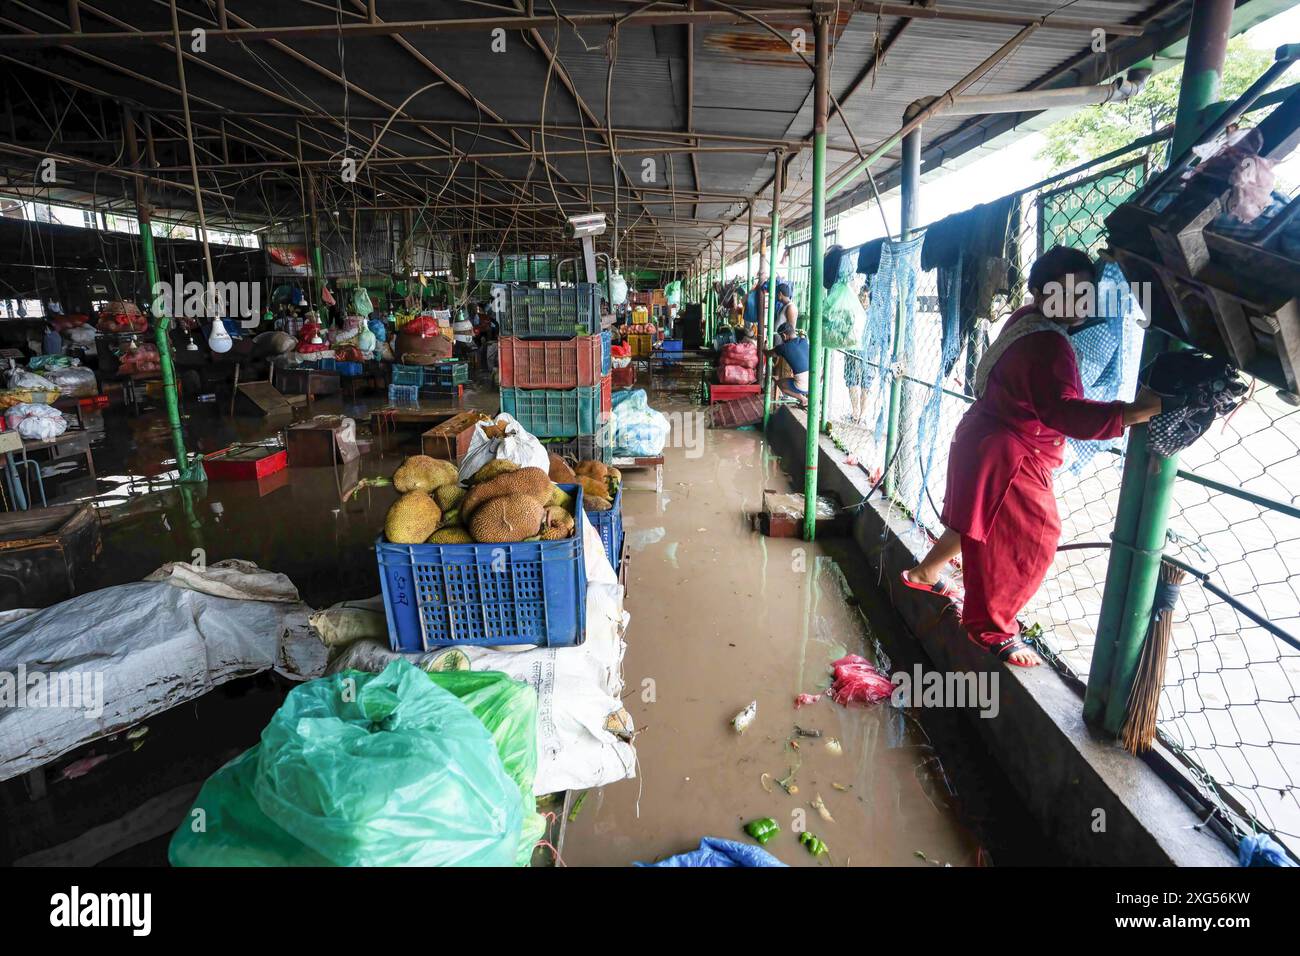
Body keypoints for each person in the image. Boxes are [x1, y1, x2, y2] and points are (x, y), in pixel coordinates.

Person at [900, 246, 1163, 668]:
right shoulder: (1050, 345)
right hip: (1010, 455)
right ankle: (992, 629)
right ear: (1043, 293)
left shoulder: (1027, 318)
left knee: (978, 524)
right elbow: (1064, 412)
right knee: (1034, 540)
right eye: (1070, 294)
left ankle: (924, 574)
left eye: (1086, 293)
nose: (1081, 303)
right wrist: (1133, 412)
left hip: (981, 439)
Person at [763, 321, 810, 407]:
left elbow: (768, 354)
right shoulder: (804, 341)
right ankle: (805, 399)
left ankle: (804, 400)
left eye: (781, 337)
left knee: (780, 383)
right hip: (814, 382)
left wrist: (764, 347)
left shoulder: (783, 347)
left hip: (803, 385)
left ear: (784, 335)